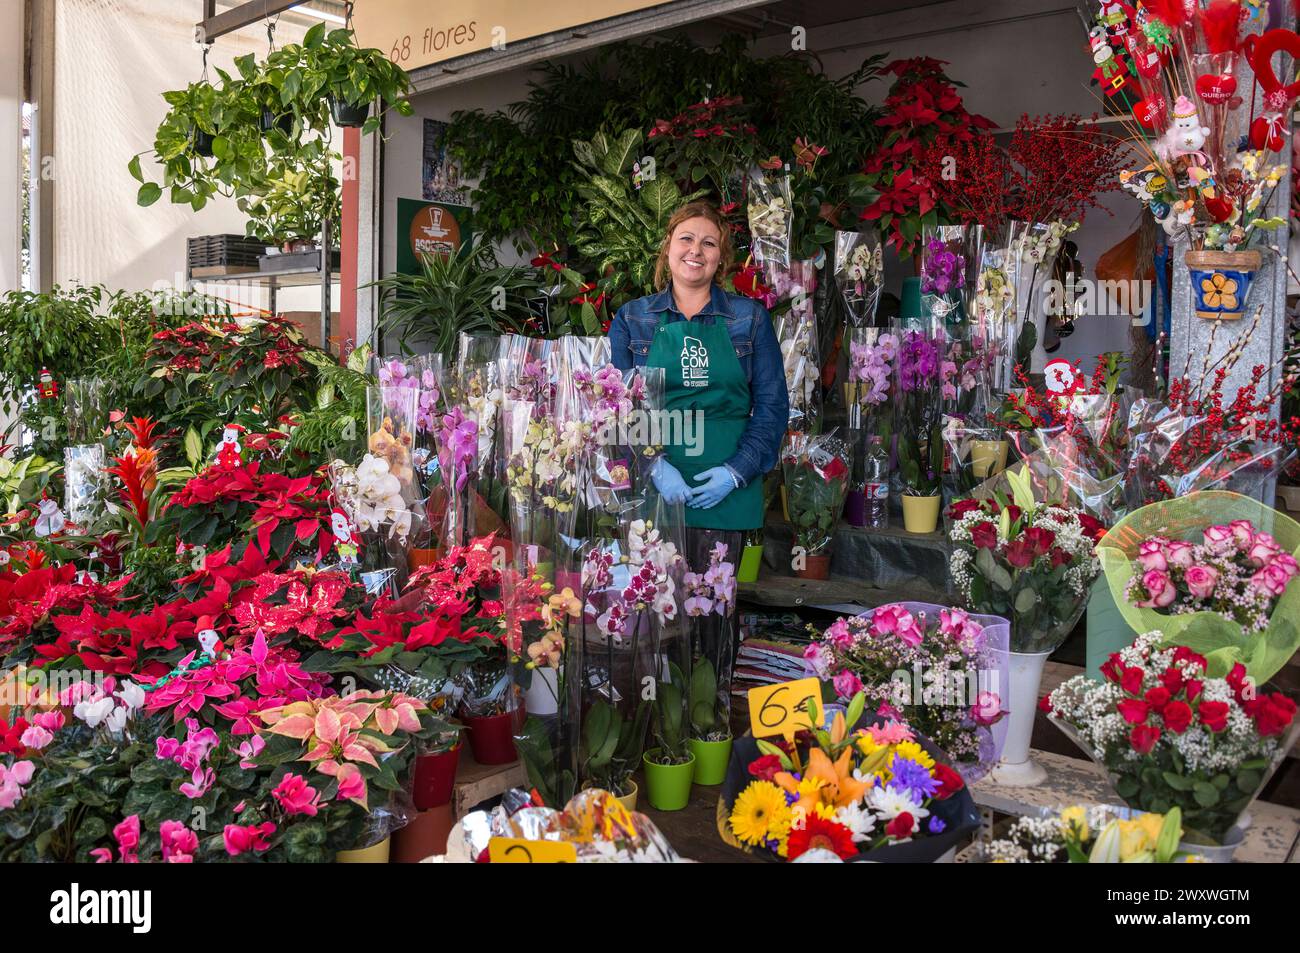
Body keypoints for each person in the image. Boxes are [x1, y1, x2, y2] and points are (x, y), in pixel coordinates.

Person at [607, 201, 788, 668]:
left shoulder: (749, 319)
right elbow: (615, 404)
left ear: (721, 258)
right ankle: (658, 730)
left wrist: (737, 471)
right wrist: (652, 464)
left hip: (724, 489)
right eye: (686, 238)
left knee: (713, 620)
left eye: (709, 243)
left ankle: (709, 727)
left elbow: (772, 406)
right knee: (654, 615)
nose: (696, 250)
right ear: (667, 248)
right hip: (655, 492)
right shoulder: (633, 319)